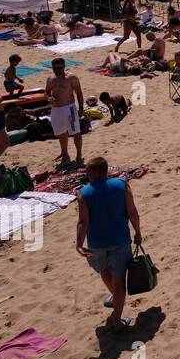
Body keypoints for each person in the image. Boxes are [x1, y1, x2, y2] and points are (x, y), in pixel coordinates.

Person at [75, 157, 142, 332]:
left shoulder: (84, 193)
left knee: (104, 270)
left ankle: (115, 303)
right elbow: (132, 213)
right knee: (119, 282)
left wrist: (79, 244)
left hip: (97, 243)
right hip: (120, 239)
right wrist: (138, 232)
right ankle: (117, 319)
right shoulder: (122, 185)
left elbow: (83, 222)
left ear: (92, 173)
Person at [45, 57, 84, 167]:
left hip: (69, 108)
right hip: (56, 109)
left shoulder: (71, 78)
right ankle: (64, 154)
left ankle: (79, 155)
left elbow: (79, 93)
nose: (57, 70)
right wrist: (48, 98)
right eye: (55, 68)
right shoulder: (50, 79)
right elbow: (46, 92)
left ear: (64, 67)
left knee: (75, 132)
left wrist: (81, 108)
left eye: (60, 68)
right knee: (60, 132)